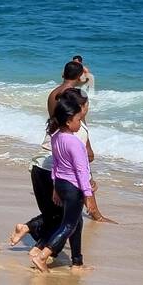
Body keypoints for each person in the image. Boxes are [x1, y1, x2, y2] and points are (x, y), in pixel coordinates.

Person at [29, 89, 116, 272]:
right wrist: (88, 195)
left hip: (60, 183)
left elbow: (56, 166)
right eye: (77, 120)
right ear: (68, 121)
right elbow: (81, 171)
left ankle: (76, 262)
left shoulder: (55, 137)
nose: (79, 123)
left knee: (70, 223)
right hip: (73, 187)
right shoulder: (75, 142)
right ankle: (43, 255)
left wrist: (54, 188)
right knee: (69, 225)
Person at [11, 78, 97, 257]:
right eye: (87, 105)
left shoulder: (56, 123)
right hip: (55, 174)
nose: (88, 108)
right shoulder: (77, 129)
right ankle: (52, 253)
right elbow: (80, 162)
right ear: (80, 108)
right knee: (67, 219)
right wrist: (88, 187)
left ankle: (34, 240)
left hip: (38, 167)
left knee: (54, 215)